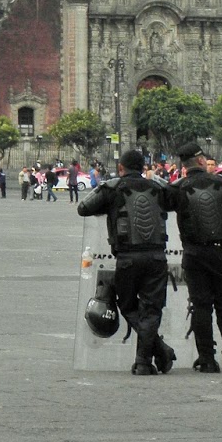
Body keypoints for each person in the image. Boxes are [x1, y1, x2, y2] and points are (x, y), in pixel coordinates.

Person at [77, 149, 175, 375]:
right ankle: (146, 360)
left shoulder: (112, 188)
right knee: (152, 309)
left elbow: (84, 208)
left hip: (127, 257)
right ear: (143, 168)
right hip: (156, 256)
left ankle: (154, 355)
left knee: (127, 305)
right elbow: (174, 201)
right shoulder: (158, 188)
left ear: (120, 168)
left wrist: (109, 204)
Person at [168, 141, 222, 373]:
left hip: (194, 254)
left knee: (201, 306)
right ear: (200, 160)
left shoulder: (178, 187)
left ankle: (206, 358)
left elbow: (162, 206)